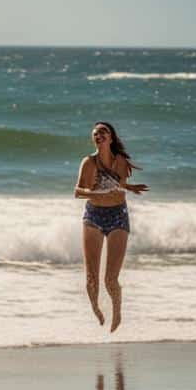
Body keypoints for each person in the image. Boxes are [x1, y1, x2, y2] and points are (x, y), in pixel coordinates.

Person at [75, 121, 147, 332]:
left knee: (110, 279)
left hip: (118, 215)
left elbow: (118, 185)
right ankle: (96, 307)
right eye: (95, 133)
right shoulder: (88, 162)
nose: (98, 135)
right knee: (91, 279)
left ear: (111, 138)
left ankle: (117, 309)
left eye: (103, 132)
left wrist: (130, 187)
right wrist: (99, 194)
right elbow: (78, 191)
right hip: (93, 217)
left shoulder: (121, 161)